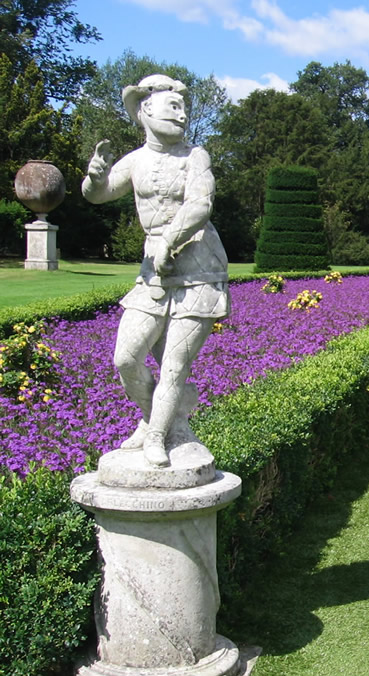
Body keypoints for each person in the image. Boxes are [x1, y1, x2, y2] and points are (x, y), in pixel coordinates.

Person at [82, 74, 229, 467]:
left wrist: (168, 240)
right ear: (145, 110)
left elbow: (201, 205)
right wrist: (94, 177)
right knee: (126, 358)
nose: (182, 116)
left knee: (173, 366)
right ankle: (155, 421)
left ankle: (160, 436)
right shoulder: (136, 160)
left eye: (185, 110)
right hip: (153, 273)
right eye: (173, 108)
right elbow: (99, 194)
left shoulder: (195, 156)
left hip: (199, 270)